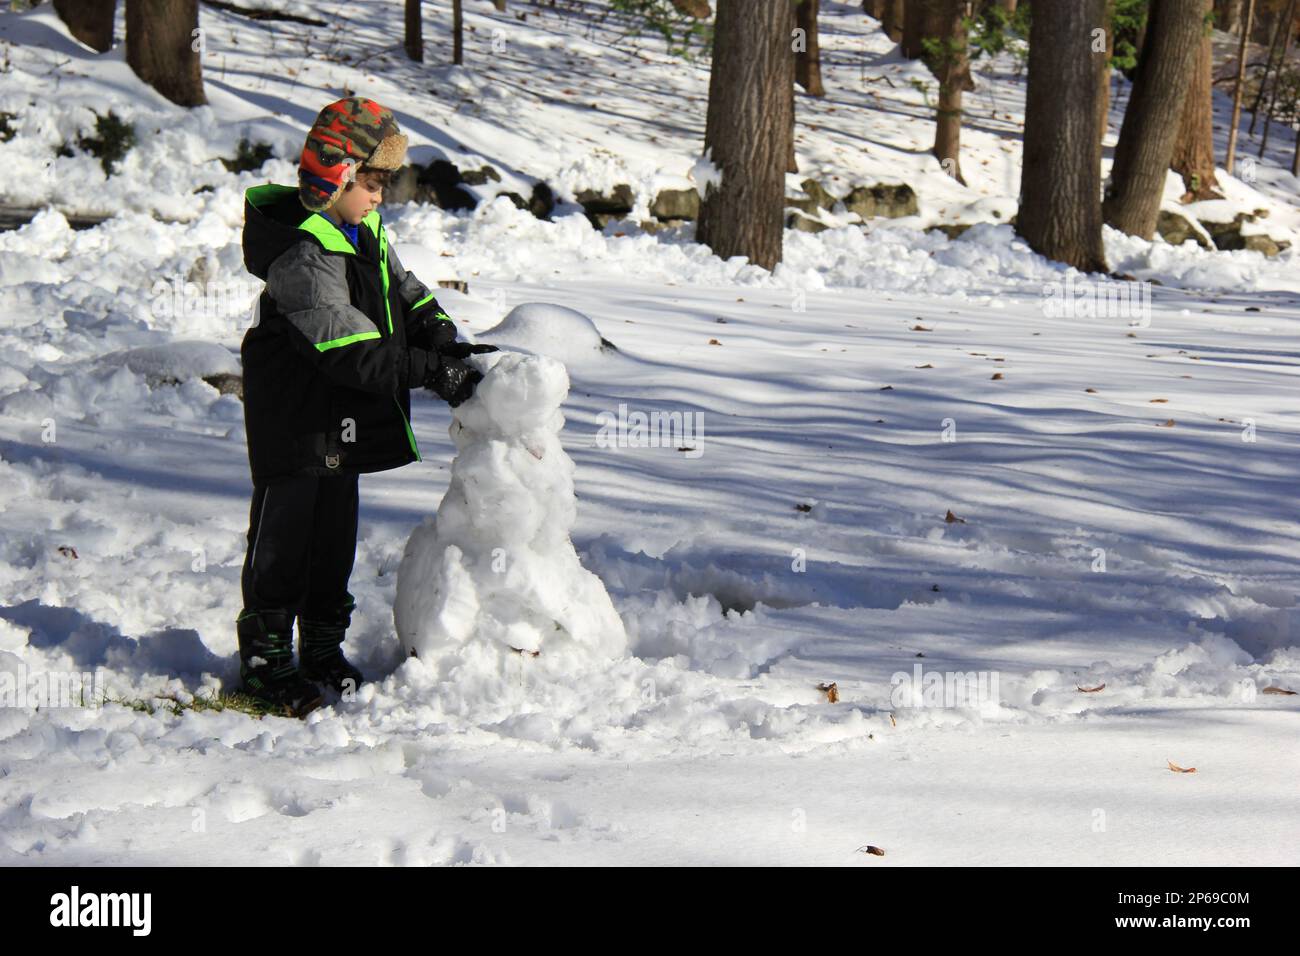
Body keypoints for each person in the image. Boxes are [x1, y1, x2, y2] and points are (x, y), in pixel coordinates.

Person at [236, 95, 494, 716]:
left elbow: (405, 293)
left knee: (333, 545)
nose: (381, 197)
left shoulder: (363, 229)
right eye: (372, 183)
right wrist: (434, 373)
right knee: (283, 548)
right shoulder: (303, 255)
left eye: (385, 184)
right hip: (296, 429)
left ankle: (323, 649)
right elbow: (353, 353)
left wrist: (441, 336)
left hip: (338, 430)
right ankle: (266, 665)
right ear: (336, 174)